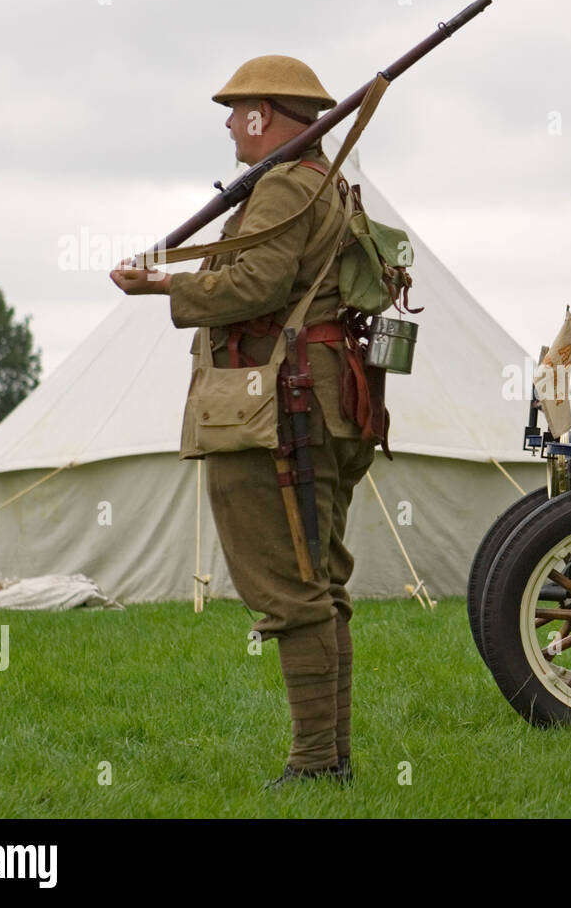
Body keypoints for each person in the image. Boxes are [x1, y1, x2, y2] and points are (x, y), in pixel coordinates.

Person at [110, 55, 377, 788]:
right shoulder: (325, 183)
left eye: (238, 109)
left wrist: (162, 286)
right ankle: (333, 758)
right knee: (319, 582)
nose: (229, 121)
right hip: (322, 402)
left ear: (268, 115)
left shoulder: (287, 185)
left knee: (292, 587)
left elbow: (257, 284)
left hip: (280, 409)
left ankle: (316, 764)